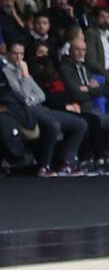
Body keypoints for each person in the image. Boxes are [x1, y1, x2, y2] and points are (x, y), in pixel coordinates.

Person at [1, 40, 88, 176]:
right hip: (24, 112)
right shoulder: (6, 73)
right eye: (14, 53)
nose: (18, 57)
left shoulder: (25, 70)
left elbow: (41, 95)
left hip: (40, 108)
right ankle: (44, 166)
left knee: (80, 124)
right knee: (53, 125)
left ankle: (66, 162)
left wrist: (28, 86)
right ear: (7, 54)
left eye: (21, 54)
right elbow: (22, 98)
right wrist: (25, 76)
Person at [59, 34, 109, 169]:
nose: (80, 53)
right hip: (78, 109)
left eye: (83, 50)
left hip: (91, 108)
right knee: (92, 121)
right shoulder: (65, 69)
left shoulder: (84, 68)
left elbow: (101, 90)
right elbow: (75, 93)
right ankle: (93, 159)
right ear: (70, 50)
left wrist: (87, 89)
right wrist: (91, 89)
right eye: (77, 49)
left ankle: (105, 157)